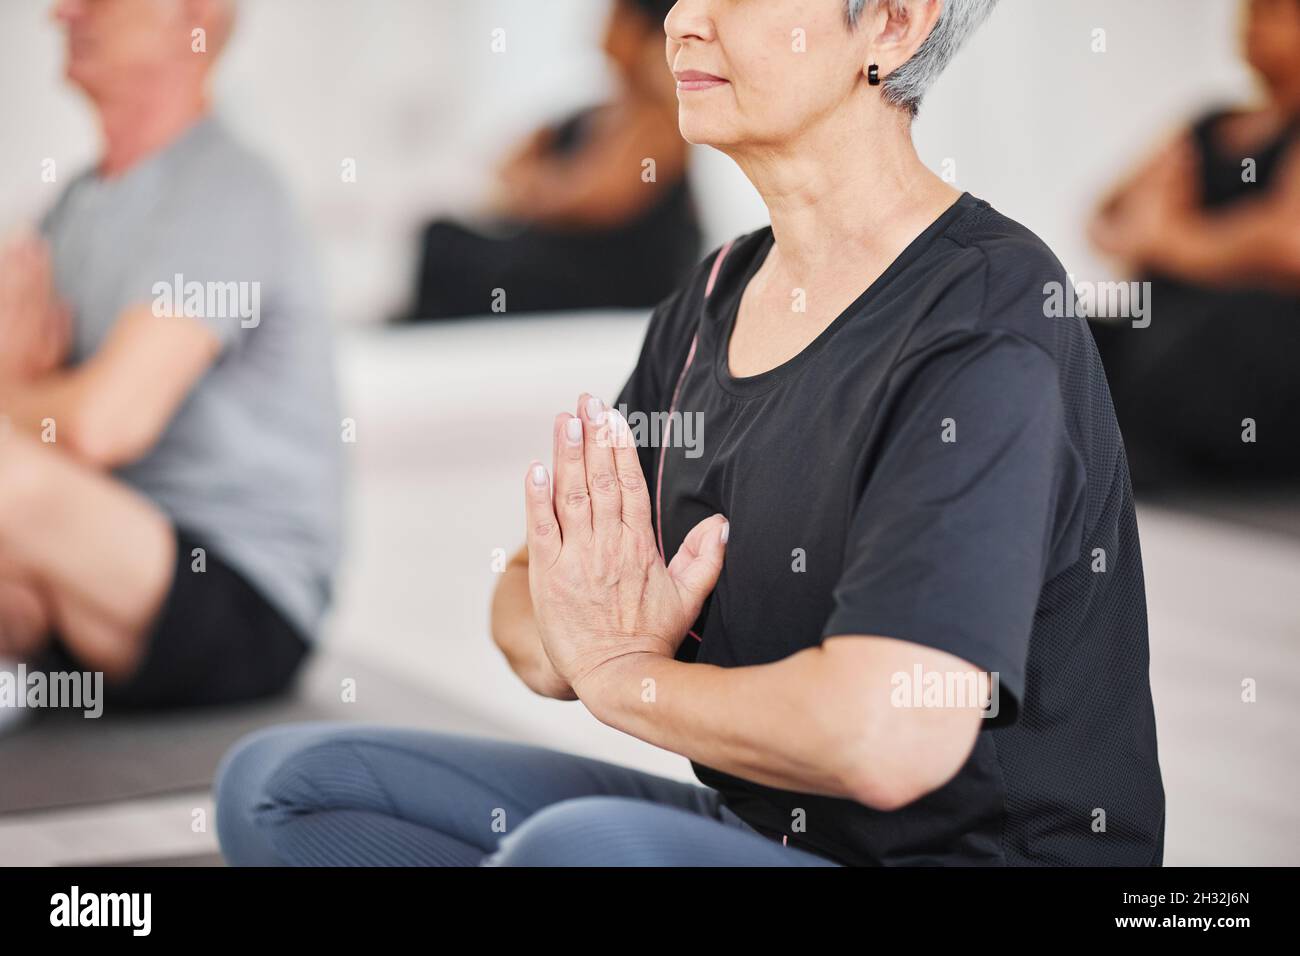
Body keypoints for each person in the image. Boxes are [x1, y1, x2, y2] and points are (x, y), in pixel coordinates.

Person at [216, 0, 1164, 867]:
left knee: (579, 853)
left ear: (890, 25)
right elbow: (529, 600)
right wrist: (587, 638)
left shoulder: (984, 309)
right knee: (287, 793)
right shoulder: (713, 298)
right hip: (761, 831)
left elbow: (889, 737)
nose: (679, 20)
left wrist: (626, 675)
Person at [0, 0, 341, 714]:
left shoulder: (228, 190)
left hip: (238, 595)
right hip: (98, 576)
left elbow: (102, 424)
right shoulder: (73, 207)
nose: (64, 13)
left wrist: (22, 398)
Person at [1088, 0, 1300, 489]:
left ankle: (1134, 451)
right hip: (1169, 326)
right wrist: (1239, 241)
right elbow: (1107, 217)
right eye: (1248, 13)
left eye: (1270, 13)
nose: (1249, 26)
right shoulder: (1208, 123)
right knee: (1067, 328)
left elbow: (1290, 243)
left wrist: (1167, 239)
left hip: (1249, 345)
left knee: (1229, 323)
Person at [402, 0, 701, 320]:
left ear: (645, 34)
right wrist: (543, 186)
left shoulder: (657, 122)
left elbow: (593, 200)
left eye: (616, 19)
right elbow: (507, 165)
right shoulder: (593, 113)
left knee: (479, 264)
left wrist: (535, 191)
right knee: (441, 236)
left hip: (608, 278)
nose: (602, 31)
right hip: (561, 255)